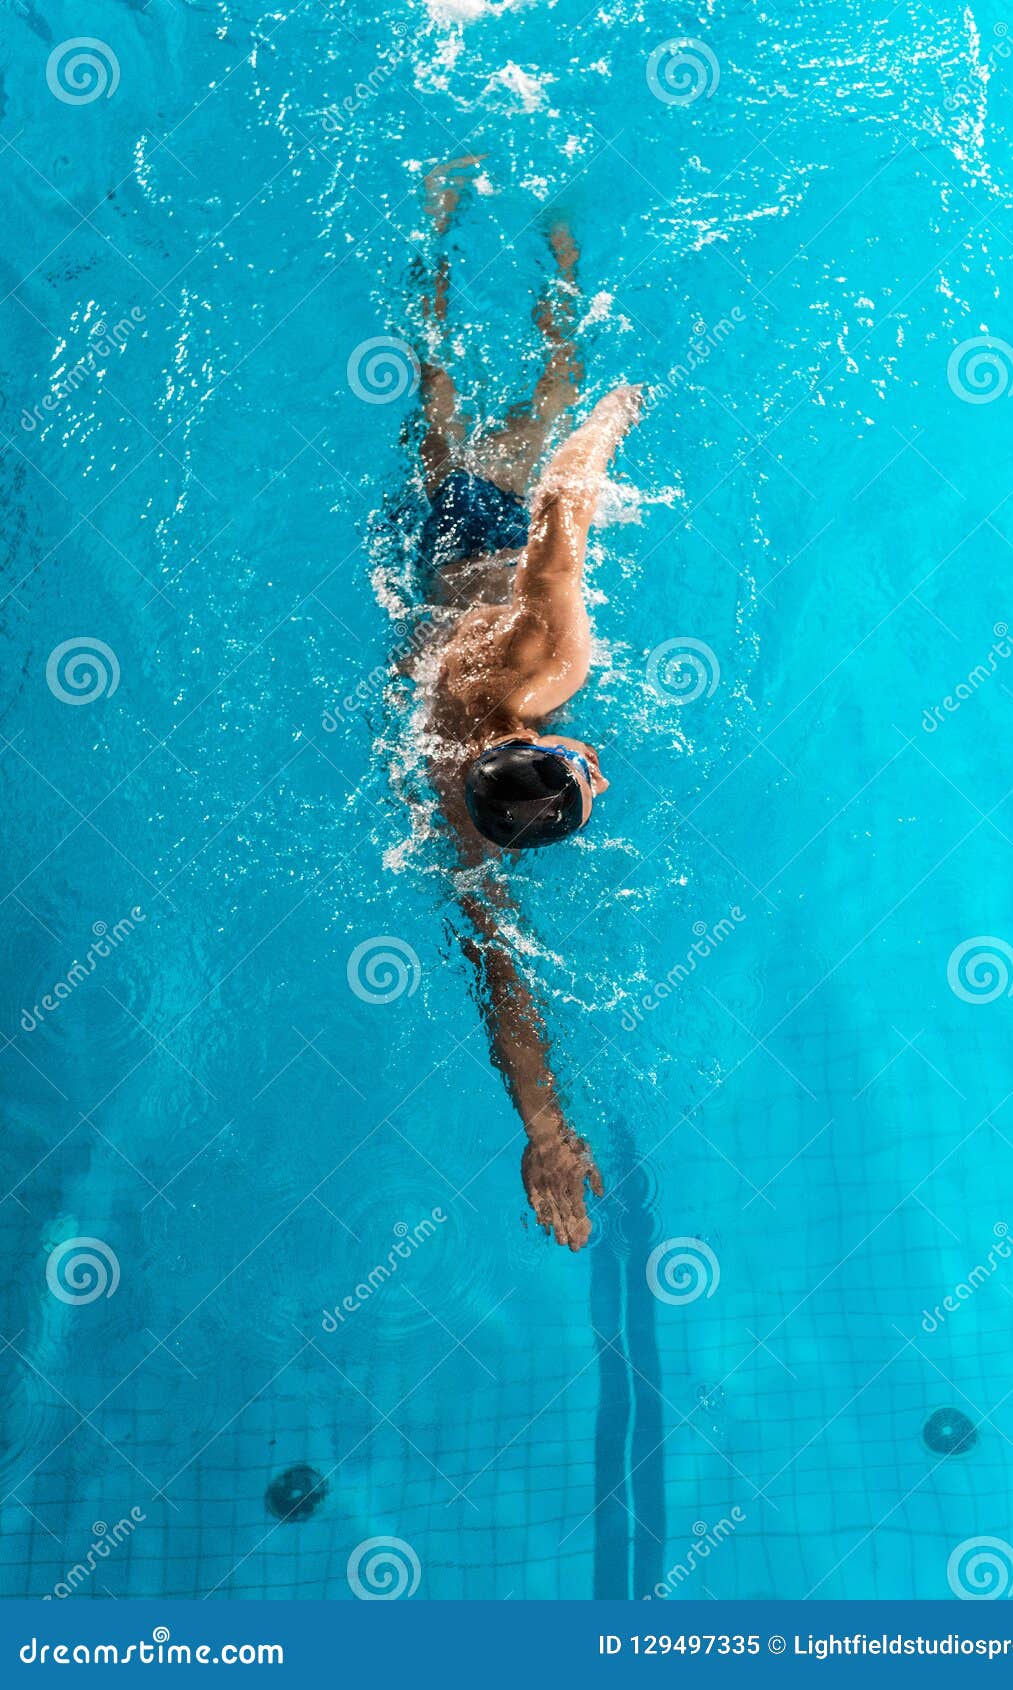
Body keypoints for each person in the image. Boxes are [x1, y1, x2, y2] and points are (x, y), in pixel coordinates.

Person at [409, 155, 643, 1249]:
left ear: (555, 755)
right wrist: (542, 1129)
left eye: (589, 777)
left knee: (553, 389)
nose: (603, 767)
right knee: (433, 400)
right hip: (428, 569)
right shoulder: (449, 797)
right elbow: (498, 973)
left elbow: (558, 508)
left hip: (496, 531)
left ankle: (559, 242)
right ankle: (437, 236)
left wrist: (611, 424)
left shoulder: (553, 666)